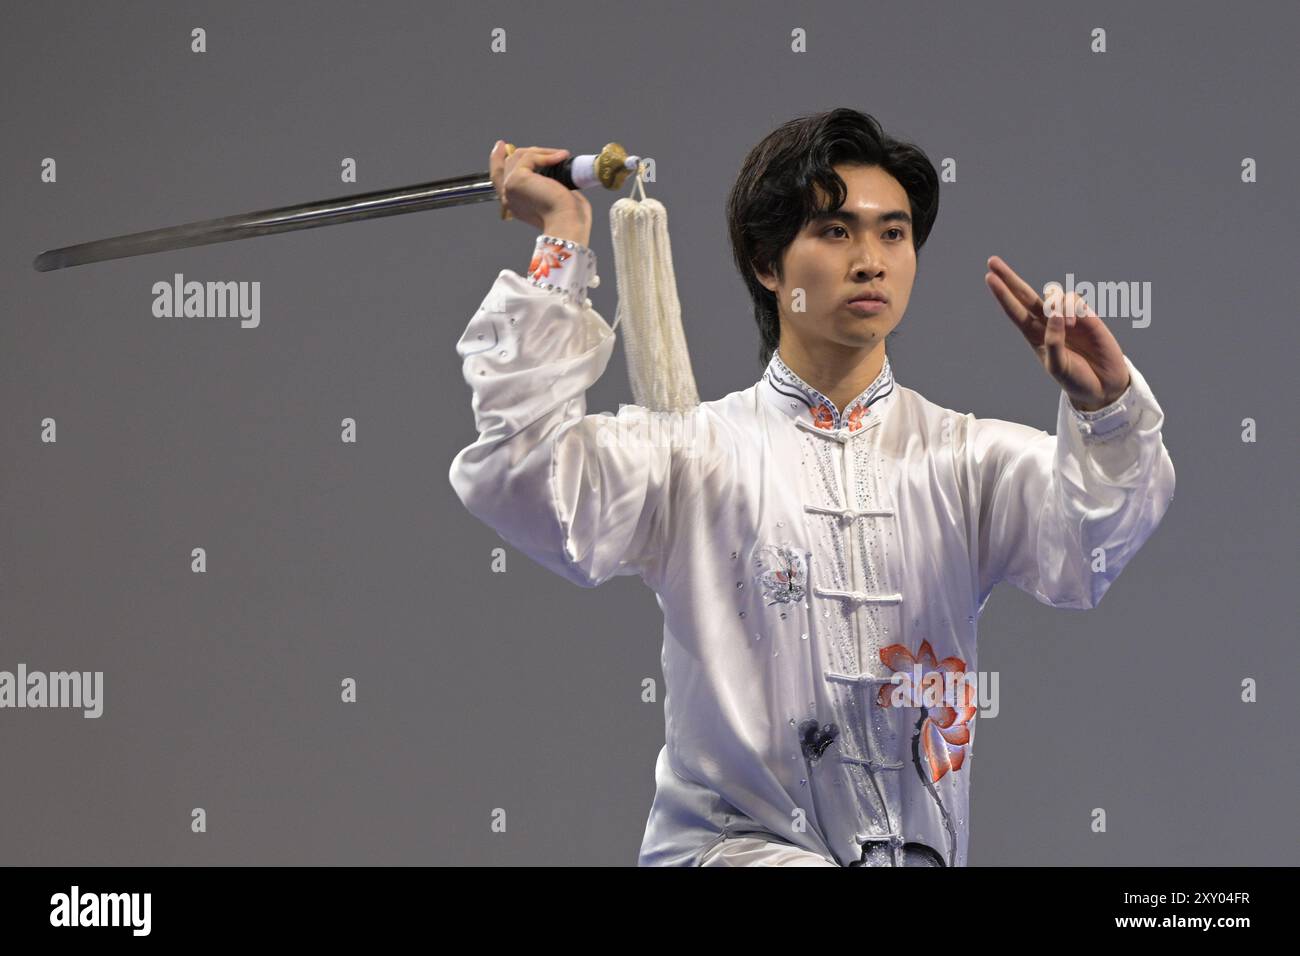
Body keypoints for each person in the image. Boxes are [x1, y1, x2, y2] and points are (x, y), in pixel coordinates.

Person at [448, 109, 1176, 867]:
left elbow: (1090, 549)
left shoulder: (965, 460)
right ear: (769, 265)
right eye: (835, 232)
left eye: (893, 234)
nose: (871, 260)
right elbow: (526, 473)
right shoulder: (696, 453)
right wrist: (562, 238)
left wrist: (1106, 409)